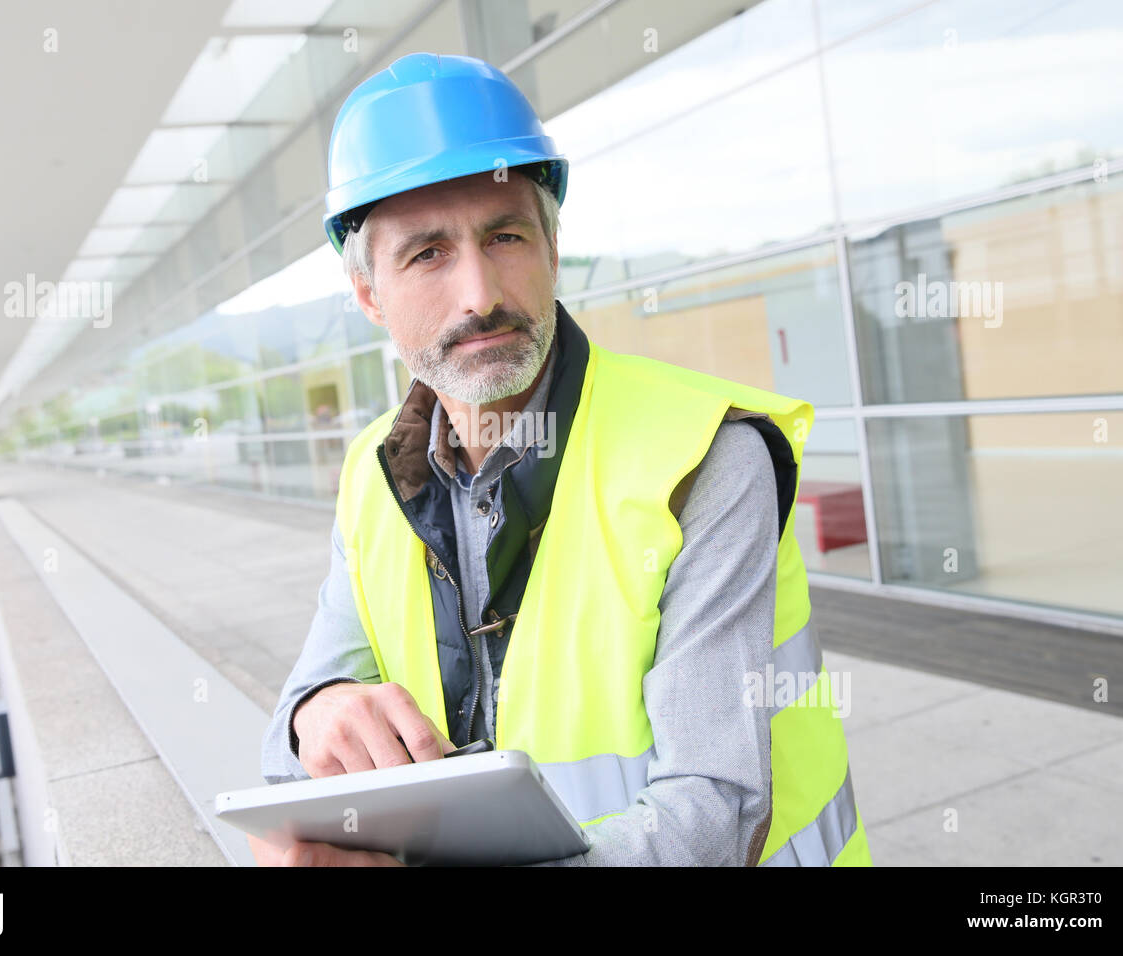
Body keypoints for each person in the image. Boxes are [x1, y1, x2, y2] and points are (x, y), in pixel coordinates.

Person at [255, 52, 871, 867]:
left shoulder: (705, 457)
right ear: (370, 293)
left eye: (504, 236)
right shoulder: (374, 470)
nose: (480, 295)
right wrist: (319, 710)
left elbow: (714, 810)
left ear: (551, 243)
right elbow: (295, 725)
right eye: (428, 255)